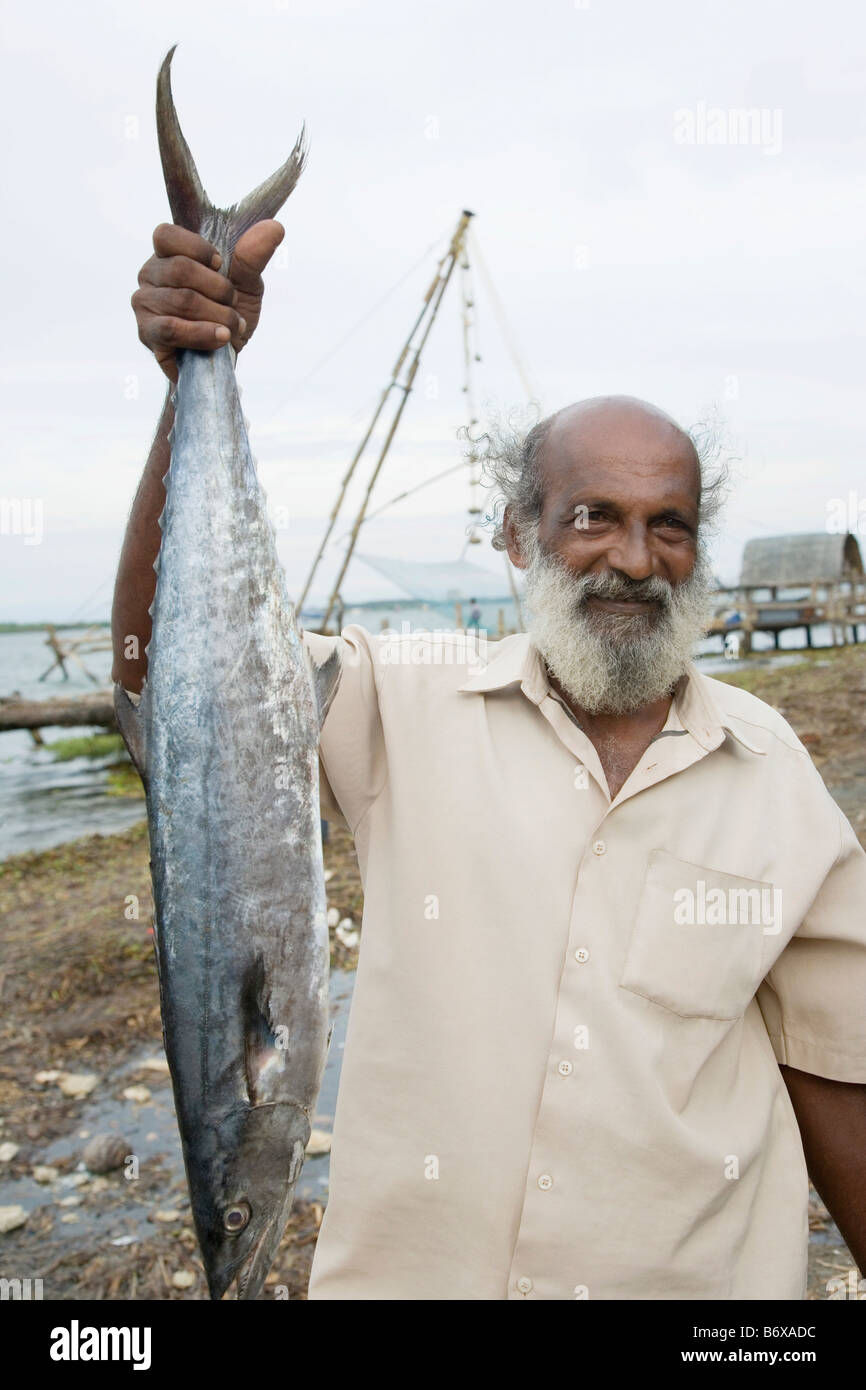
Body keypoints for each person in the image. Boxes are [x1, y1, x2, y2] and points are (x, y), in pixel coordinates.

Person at [115, 219, 866, 1301]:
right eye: (590, 517)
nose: (632, 559)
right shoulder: (396, 699)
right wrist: (190, 373)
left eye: (670, 525)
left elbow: (833, 1070)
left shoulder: (773, 770)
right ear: (515, 536)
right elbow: (177, 691)